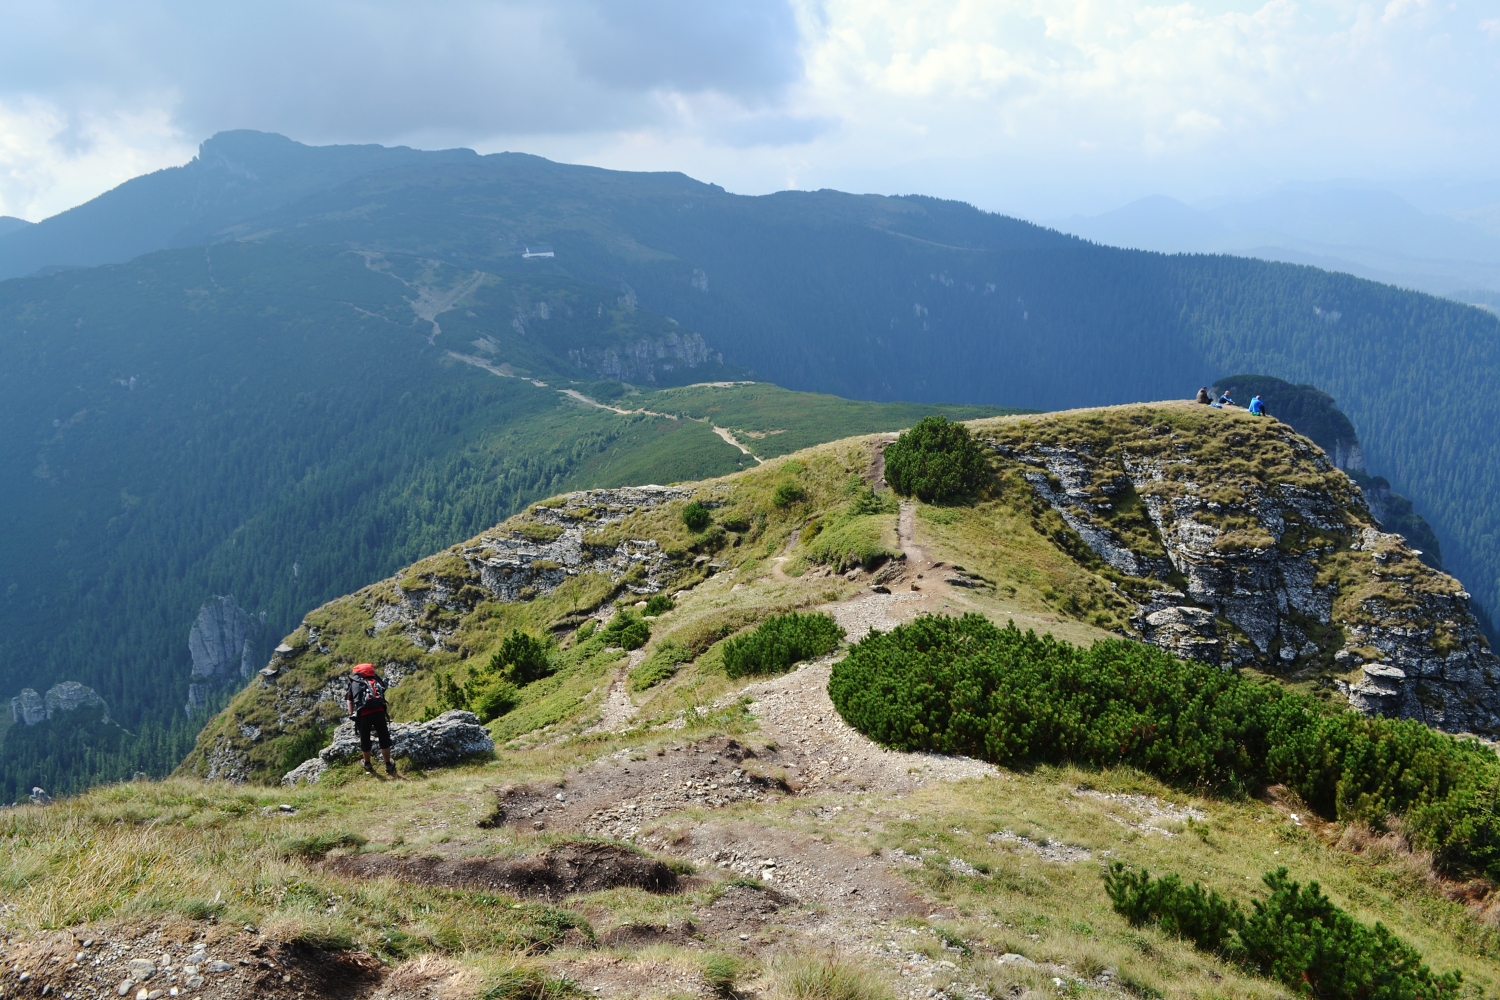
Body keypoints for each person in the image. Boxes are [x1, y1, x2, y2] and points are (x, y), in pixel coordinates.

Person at [347, 662, 396, 775]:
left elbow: (349, 699)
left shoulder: (356, 682)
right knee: (384, 737)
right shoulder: (375, 680)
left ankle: (367, 763)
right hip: (379, 712)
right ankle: (388, 764)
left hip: (363, 714)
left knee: (365, 738)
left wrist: (351, 713)